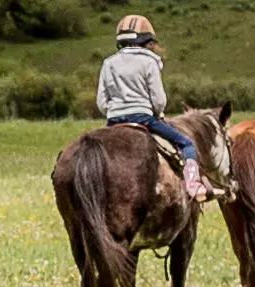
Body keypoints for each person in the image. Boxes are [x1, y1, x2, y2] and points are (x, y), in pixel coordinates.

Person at [94, 12, 221, 201]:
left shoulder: (108, 63)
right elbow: (159, 100)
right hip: (143, 118)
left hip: (114, 120)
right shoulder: (149, 61)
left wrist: (114, 112)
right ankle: (193, 186)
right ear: (146, 40)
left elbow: (101, 101)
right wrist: (156, 112)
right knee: (186, 143)